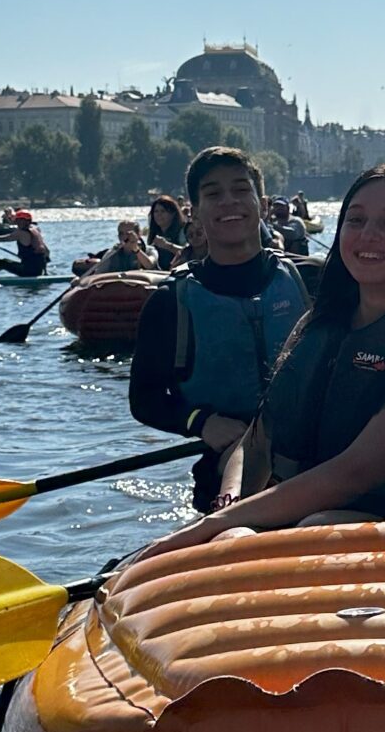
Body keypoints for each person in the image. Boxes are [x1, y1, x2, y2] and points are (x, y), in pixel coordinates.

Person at [134, 166, 385, 556]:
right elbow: (254, 445)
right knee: (239, 539)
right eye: (356, 220)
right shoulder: (316, 326)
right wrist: (228, 510)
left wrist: (219, 524)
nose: (368, 235)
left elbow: (353, 473)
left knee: (315, 528)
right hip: (306, 521)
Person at [129, 147, 313, 512]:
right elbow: (144, 399)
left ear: (260, 202)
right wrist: (200, 422)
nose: (229, 202)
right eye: (213, 194)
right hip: (222, 471)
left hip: (315, 466)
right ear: (193, 212)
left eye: (240, 190)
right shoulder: (170, 301)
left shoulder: (310, 280)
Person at [78, 221, 156, 275]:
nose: (124, 237)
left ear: (138, 234)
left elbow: (149, 265)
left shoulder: (150, 251)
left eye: (129, 233)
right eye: (121, 234)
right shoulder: (112, 254)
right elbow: (98, 273)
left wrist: (135, 248)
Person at [146, 194, 191, 267]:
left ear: (173, 213)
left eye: (163, 211)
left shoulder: (183, 231)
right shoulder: (154, 233)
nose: (159, 215)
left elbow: (190, 252)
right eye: (156, 211)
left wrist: (167, 245)